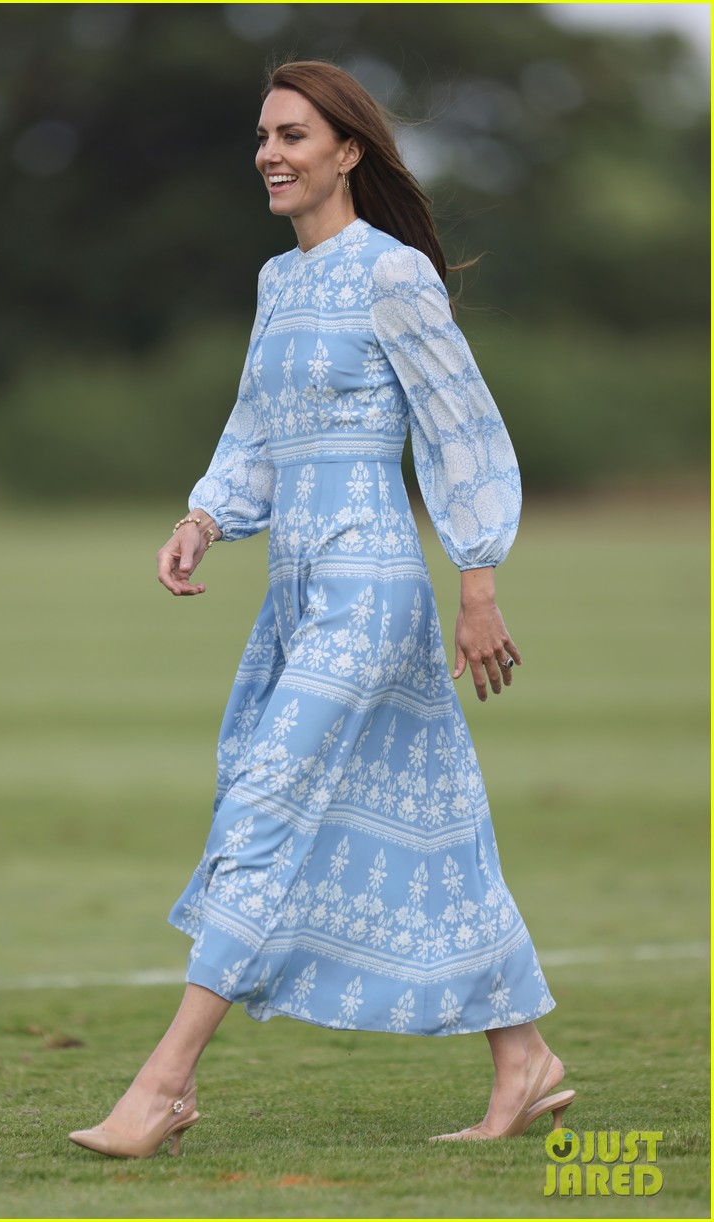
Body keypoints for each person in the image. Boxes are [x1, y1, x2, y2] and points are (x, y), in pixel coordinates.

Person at [69, 59, 574, 1160]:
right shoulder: (277, 283)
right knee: (430, 821)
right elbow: (254, 428)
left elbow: (459, 426)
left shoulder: (393, 275)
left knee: (264, 794)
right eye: (262, 136)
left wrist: (476, 579)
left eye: (292, 135)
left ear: (348, 151)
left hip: (373, 588)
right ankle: (523, 1056)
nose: (269, 153)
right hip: (297, 595)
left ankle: (163, 1084)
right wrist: (202, 518)